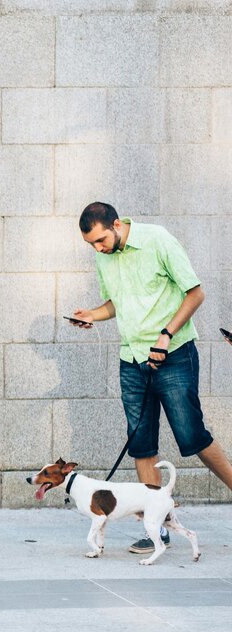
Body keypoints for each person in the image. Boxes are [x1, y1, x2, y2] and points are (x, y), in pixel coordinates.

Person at [72, 202, 232, 553]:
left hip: (172, 355)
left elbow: (195, 292)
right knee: (141, 442)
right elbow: (116, 303)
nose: (98, 249)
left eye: (101, 240)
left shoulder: (158, 240)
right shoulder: (104, 256)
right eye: (92, 245)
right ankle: (157, 531)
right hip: (132, 360)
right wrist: (93, 316)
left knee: (193, 436)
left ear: (116, 224)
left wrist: (166, 335)